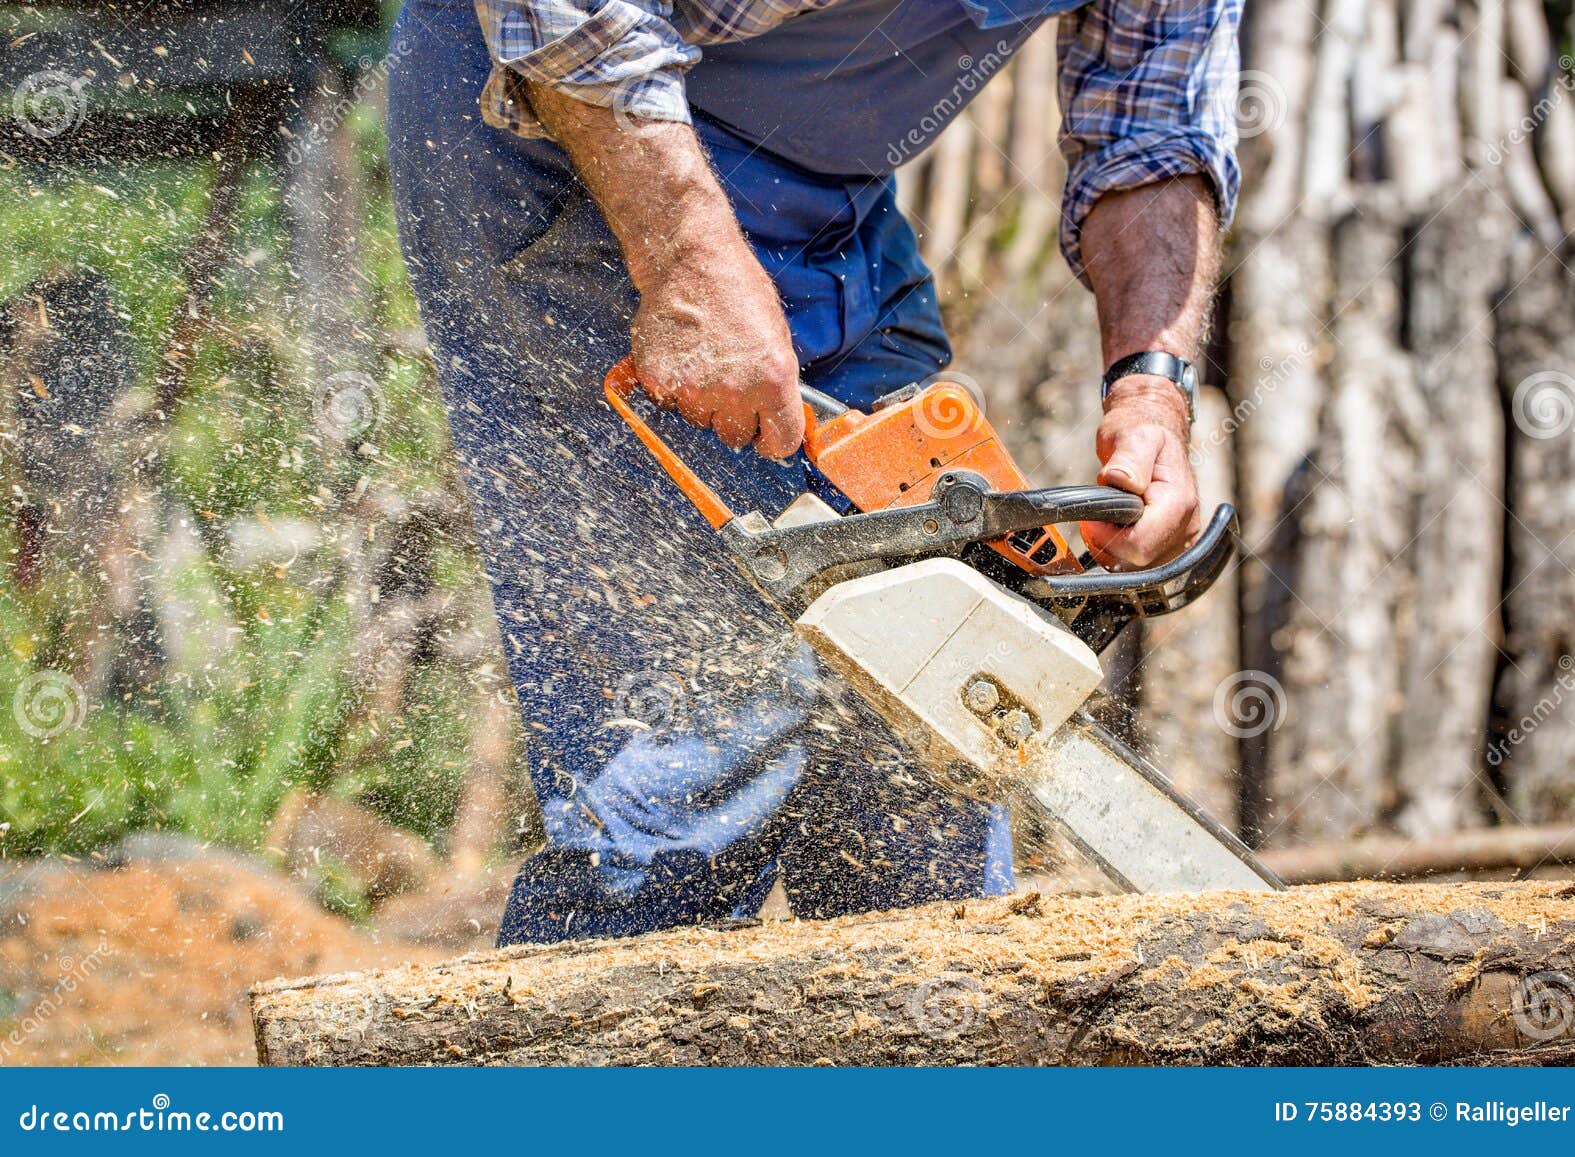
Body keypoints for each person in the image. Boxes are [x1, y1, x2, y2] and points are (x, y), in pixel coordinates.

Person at [386, 0, 1237, 944]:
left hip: (831, 197)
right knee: (704, 746)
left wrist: (1150, 392)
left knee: (933, 724)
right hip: (571, 115)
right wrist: (682, 257)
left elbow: (1153, 125)